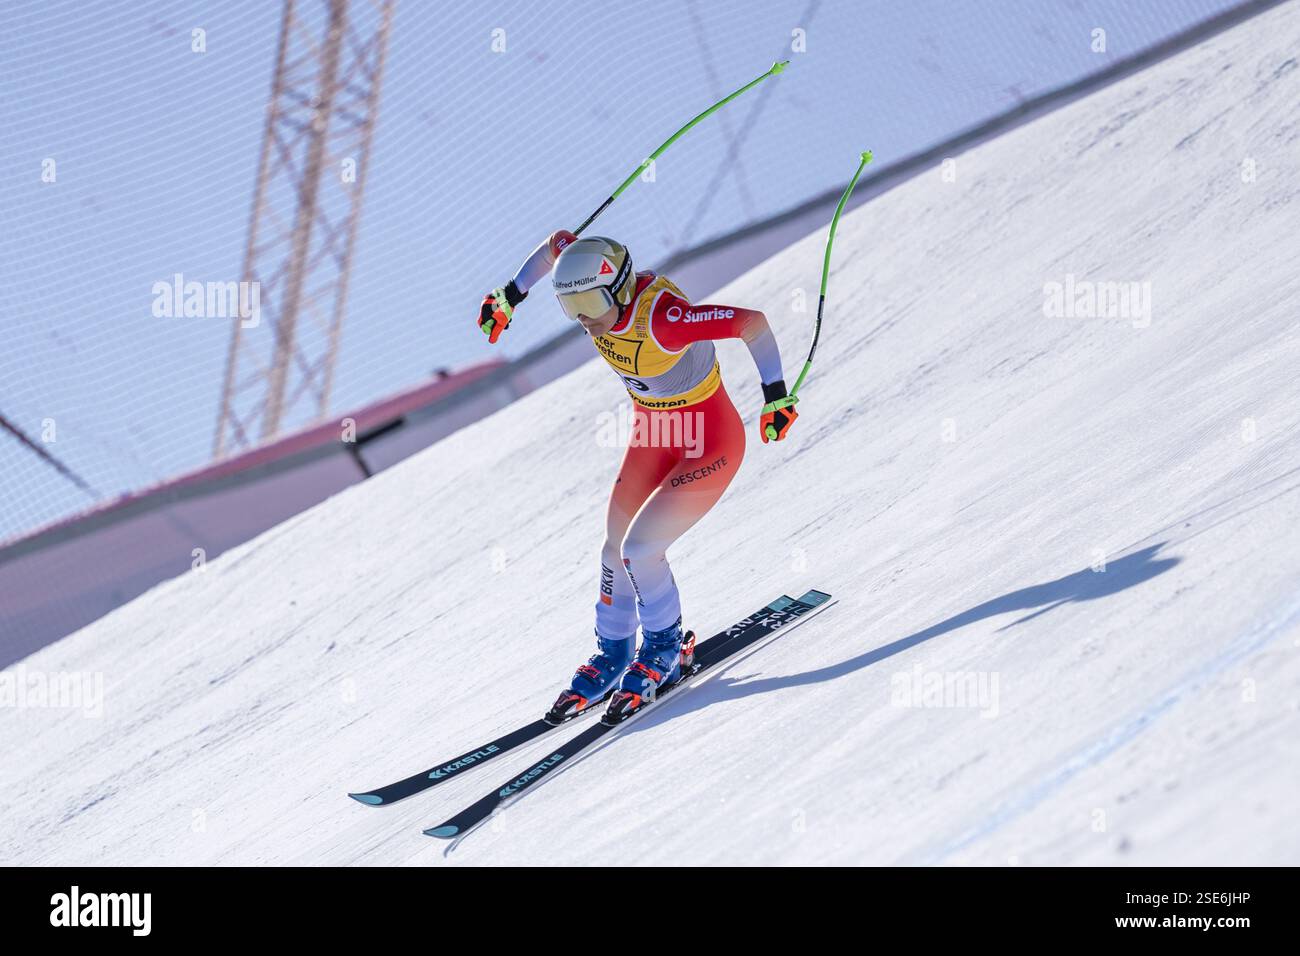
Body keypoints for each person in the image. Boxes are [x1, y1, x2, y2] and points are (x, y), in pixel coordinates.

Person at [478, 231, 798, 721]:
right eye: (571, 306)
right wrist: (511, 295)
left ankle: (665, 648)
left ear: (621, 289)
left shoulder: (666, 321)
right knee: (613, 547)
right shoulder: (597, 288)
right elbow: (555, 246)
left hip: (708, 441)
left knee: (641, 549)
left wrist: (775, 394)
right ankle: (613, 653)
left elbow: (751, 324)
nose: (584, 318)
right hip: (654, 433)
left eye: (589, 302)